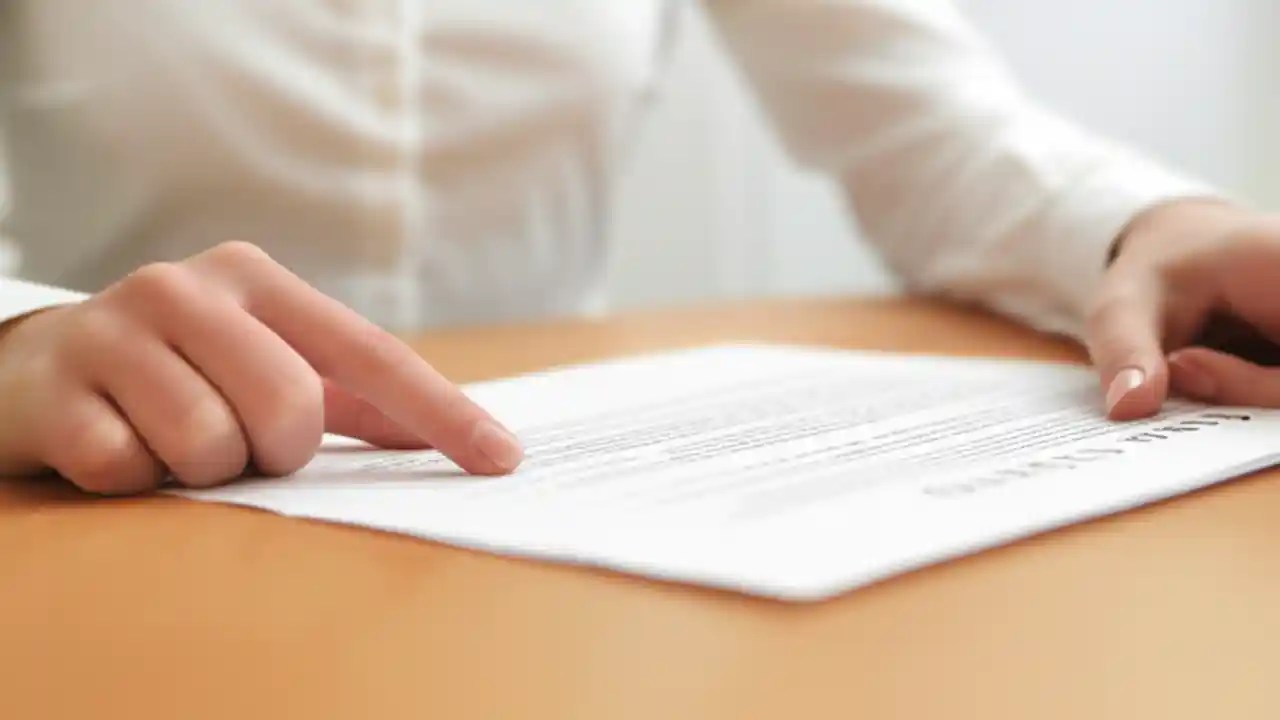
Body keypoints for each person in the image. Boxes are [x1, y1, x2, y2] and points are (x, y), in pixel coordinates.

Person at [1, 1, 1277, 495]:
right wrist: (18, 332)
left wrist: (1157, 229)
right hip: (105, 495)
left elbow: (927, 126)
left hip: (546, 502)